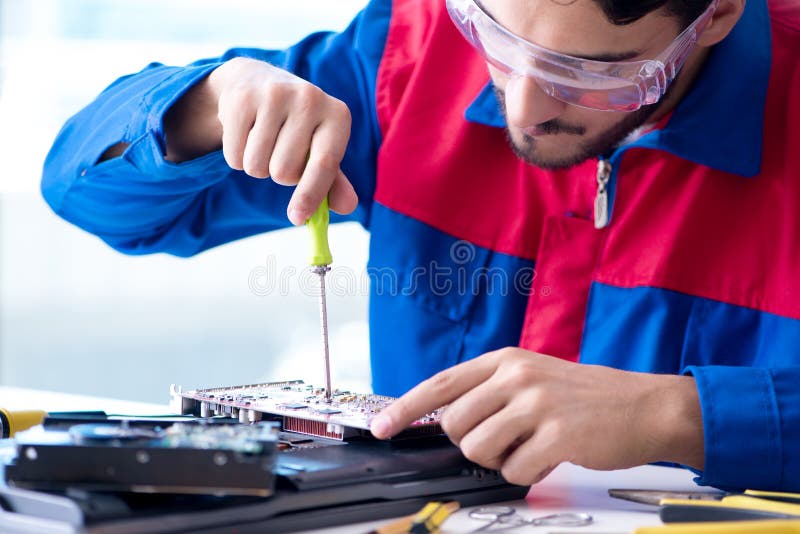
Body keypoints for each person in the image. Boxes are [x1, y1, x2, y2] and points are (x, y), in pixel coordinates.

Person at [41, 0, 800, 491]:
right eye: (494, 38)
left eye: (590, 72)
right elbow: (90, 198)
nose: (526, 109)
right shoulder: (407, 54)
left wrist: (681, 416)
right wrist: (198, 110)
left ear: (720, 13)